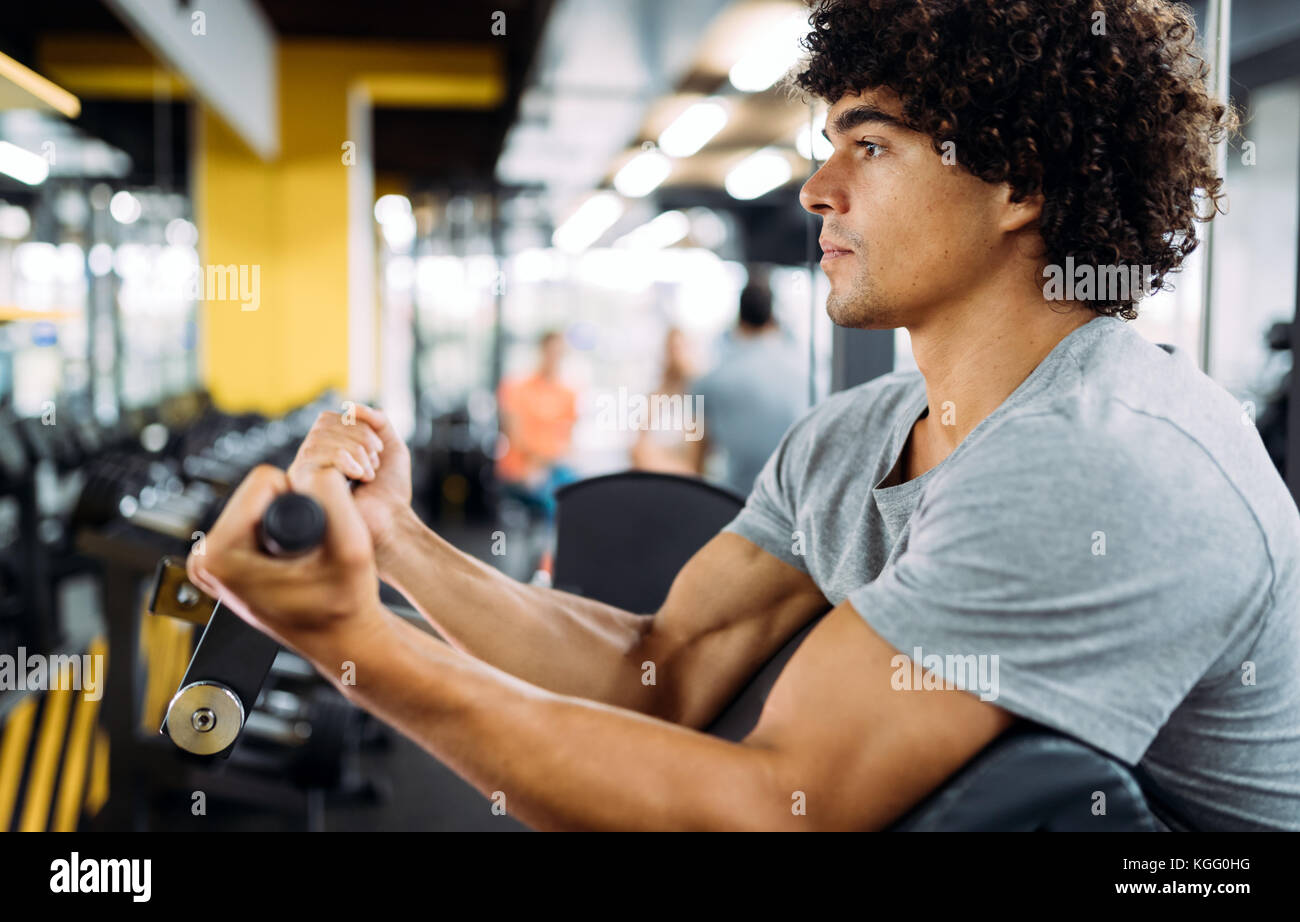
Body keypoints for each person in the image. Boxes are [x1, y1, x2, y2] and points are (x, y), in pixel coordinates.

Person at [184, 0, 1300, 831]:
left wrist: (355, 646)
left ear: (1016, 184)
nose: (818, 190)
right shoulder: (850, 437)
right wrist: (395, 544)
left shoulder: (1105, 459)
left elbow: (778, 809)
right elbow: (656, 668)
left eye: (868, 146)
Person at [693, 277, 808, 495]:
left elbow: (697, 454)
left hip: (737, 501)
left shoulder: (710, 381)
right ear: (773, 318)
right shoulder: (808, 371)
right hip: (795, 500)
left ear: (739, 319)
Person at [494, 330, 579, 520]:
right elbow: (516, 438)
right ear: (541, 351)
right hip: (523, 467)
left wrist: (556, 458)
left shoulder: (567, 393)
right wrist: (543, 460)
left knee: (581, 493)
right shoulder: (516, 388)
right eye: (551, 352)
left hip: (555, 466)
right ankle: (550, 549)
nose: (554, 358)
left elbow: (568, 440)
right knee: (554, 500)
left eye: (559, 353)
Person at [629, 327, 706, 477]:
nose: (676, 355)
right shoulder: (656, 394)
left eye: (682, 348)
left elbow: (695, 463)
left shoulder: (699, 397)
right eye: (672, 349)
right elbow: (637, 450)